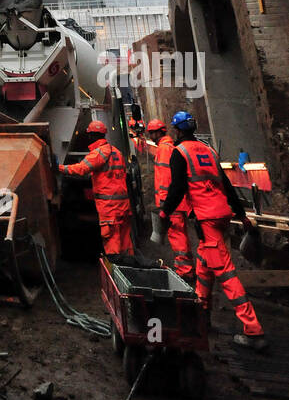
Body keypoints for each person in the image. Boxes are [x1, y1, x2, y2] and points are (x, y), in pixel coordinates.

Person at [158, 110, 266, 351]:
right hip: (222, 216)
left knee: (226, 274)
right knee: (203, 267)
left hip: (207, 220)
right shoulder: (208, 150)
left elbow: (177, 188)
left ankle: (254, 330)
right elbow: (225, 185)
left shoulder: (180, 153)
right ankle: (202, 316)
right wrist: (241, 215)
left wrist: (165, 213)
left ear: (177, 130)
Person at [58, 120, 133, 257]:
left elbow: (81, 168)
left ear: (91, 136)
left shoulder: (99, 153)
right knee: (125, 242)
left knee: (112, 244)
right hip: (123, 206)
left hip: (109, 208)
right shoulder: (117, 152)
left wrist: (60, 168)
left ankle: (116, 272)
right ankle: (131, 269)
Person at [148, 117, 193, 281]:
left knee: (178, 236)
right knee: (178, 236)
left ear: (159, 132)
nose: (151, 136)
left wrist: (165, 204)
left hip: (172, 203)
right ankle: (184, 268)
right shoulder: (165, 147)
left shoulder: (165, 149)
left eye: (152, 133)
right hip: (174, 202)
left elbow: (168, 179)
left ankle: (185, 271)